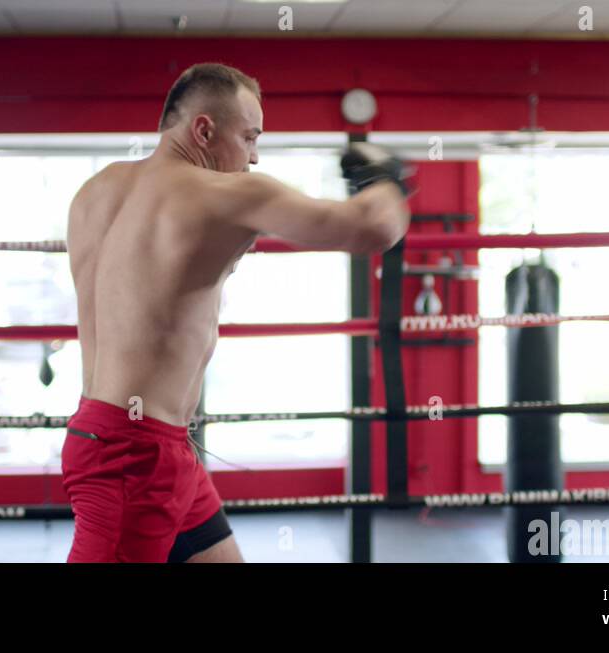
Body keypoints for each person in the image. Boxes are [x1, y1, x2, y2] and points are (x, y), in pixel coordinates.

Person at [62, 62, 410, 563]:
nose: (253, 155)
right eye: (249, 137)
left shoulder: (95, 192)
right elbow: (371, 229)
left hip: (134, 441)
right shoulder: (228, 194)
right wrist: (386, 179)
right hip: (133, 461)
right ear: (204, 129)